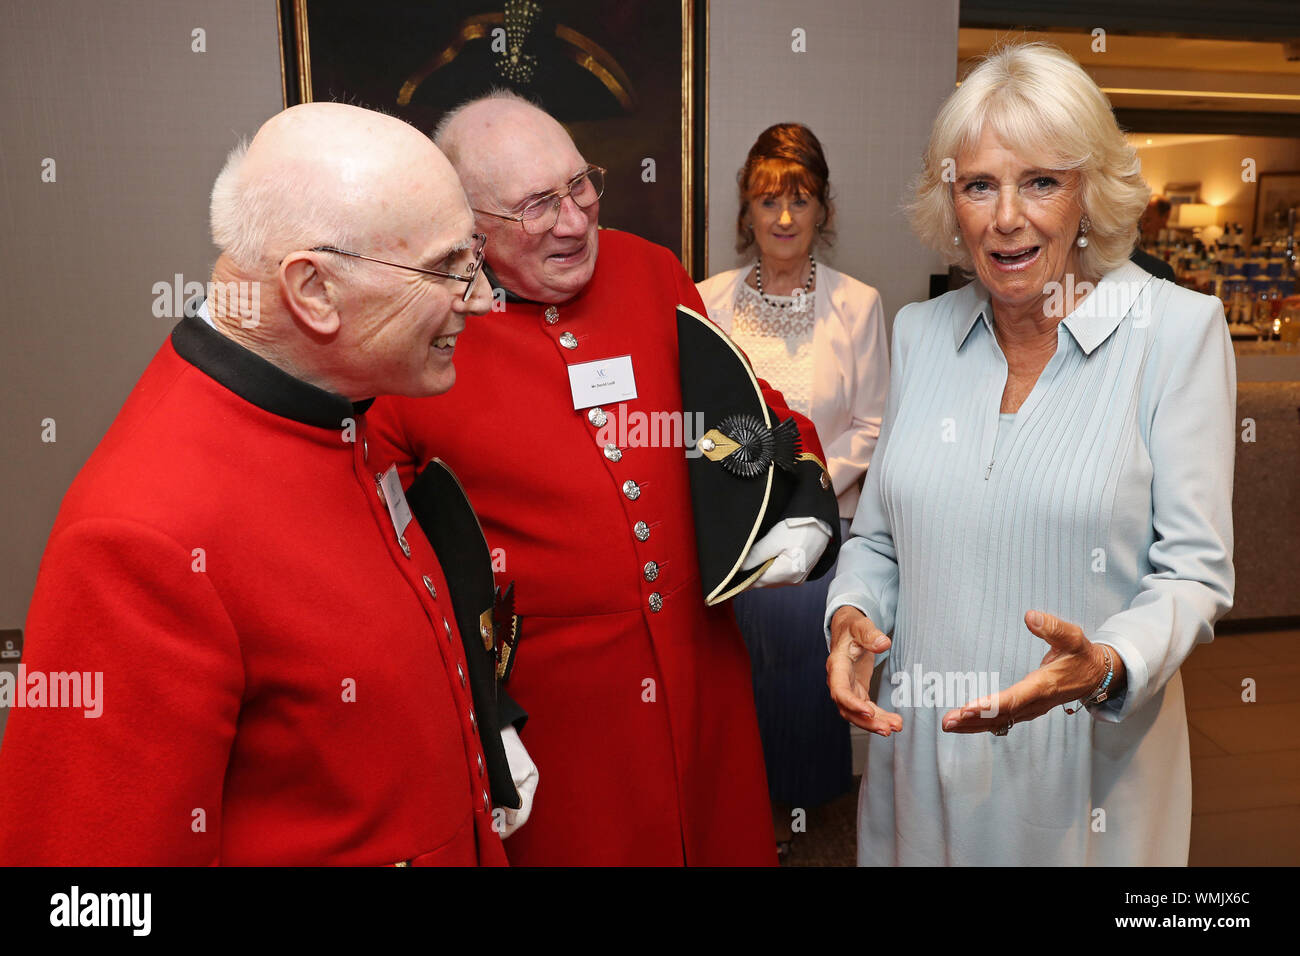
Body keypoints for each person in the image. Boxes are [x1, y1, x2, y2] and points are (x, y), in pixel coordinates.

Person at [0, 103, 537, 865]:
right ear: (313, 291)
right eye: (447, 268)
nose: (481, 297)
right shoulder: (139, 536)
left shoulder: (335, 395)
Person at [365, 90, 840, 866]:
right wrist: (483, 717)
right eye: (537, 204)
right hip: (560, 724)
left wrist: (795, 500)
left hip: (702, 683)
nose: (576, 220)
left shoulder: (651, 272)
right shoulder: (416, 336)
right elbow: (386, 569)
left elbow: (742, 412)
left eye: (580, 184)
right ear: (468, 223)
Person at [824, 41, 1235, 866]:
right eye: (979, 184)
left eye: (1042, 181)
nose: (1006, 216)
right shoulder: (923, 334)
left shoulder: (1176, 334)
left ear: (1091, 194)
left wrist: (1108, 663)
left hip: (1084, 774)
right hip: (922, 762)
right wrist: (851, 615)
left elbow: (1194, 570)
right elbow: (878, 539)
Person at [696, 123, 888, 854]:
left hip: (821, 538)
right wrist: (743, 487)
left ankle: (811, 830)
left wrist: (799, 487)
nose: (783, 219)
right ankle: (743, 829)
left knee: (806, 677)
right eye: (767, 201)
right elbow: (697, 419)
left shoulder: (859, 305)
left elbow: (871, 426)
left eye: (799, 200)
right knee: (731, 682)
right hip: (731, 537)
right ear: (744, 212)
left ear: (823, 210)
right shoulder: (706, 300)